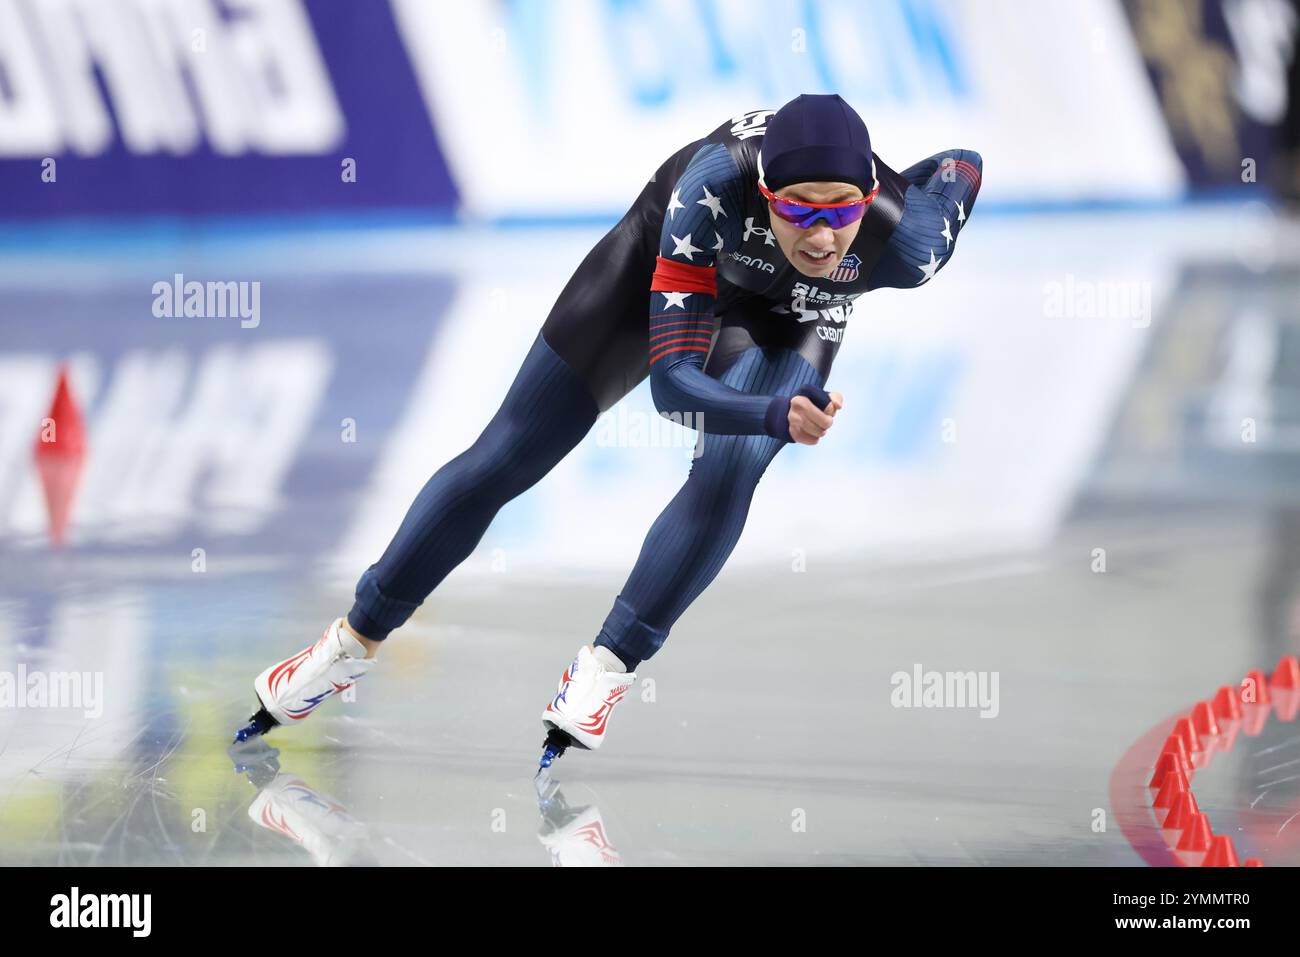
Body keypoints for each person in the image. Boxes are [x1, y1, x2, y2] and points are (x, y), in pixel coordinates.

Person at [234, 94, 983, 768]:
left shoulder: (907, 244)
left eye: (840, 210)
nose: (820, 235)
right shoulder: (712, 188)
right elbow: (671, 387)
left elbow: (962, 165)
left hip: (794, 314)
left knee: (732, 470)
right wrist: (771, 412)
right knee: (510, 452)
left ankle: (606, 667)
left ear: (871, 198)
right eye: (797, 210)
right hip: (657, 268)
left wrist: (895, 187)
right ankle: (348, 644)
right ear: (764, 195)